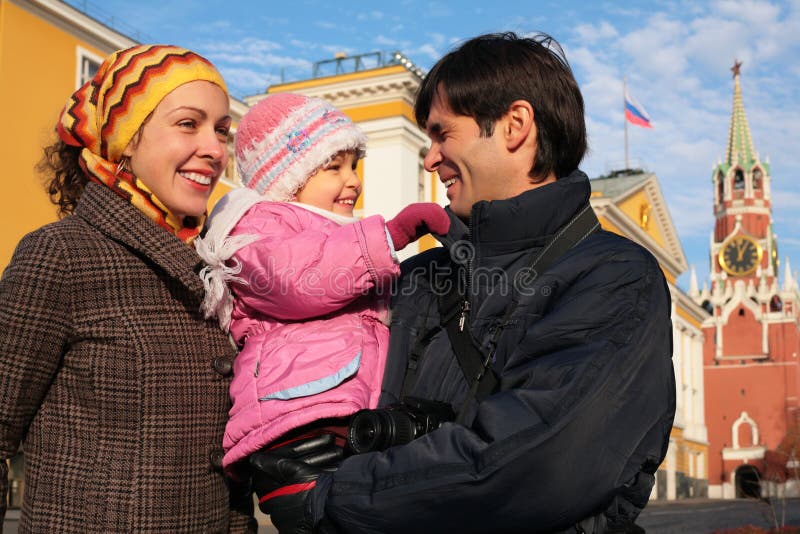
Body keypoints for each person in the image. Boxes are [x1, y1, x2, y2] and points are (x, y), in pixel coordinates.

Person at [247, 32, 676, 534]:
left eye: (442, 135)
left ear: (515, 125)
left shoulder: (614, 278)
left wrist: (331, 497)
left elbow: (532, 464)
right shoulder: (419, 276)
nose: (430, 159)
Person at [0, 45, 256, 532]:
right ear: (126, 139)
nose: (215, 149)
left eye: (221, 130)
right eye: (189, 124)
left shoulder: (218, 263)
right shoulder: (62, 255)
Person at [195, 93, 450, 477]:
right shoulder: (257, 226)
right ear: (288, 179)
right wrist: (390, 235)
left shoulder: (340, 237)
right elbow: (296, 278)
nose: (354, 181)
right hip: (298, 418)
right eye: (334, 168)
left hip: (344, 412)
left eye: (354, 166)